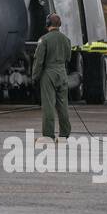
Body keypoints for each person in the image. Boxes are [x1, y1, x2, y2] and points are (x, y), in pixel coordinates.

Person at [31, 13, 73, 141]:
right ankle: (64, 134)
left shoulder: (44, 39)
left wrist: (35, 76)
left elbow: (39, 60)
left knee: (48, 105)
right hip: (62, 72)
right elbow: (68, 58)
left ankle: (48, 135)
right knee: (63, 105)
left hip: (49, 73)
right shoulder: (66, 39)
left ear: (48, 24)